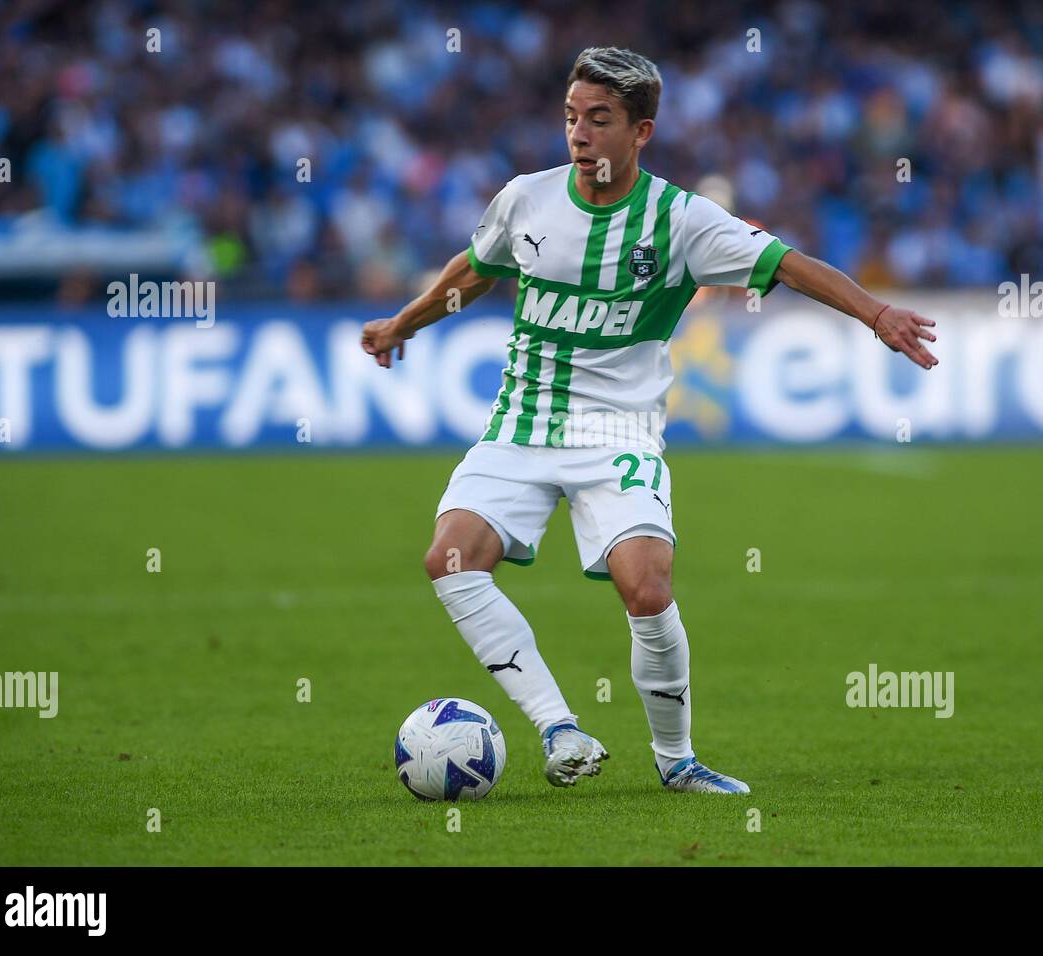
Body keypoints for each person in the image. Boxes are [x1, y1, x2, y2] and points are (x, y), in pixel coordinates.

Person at [363, 47, 937, 794]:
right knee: (448, 559)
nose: (580, 133)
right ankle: (558, 728)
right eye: (572, 117)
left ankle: (676, 760)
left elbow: (787, 263)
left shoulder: (682, 220)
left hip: (618, 432)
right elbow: (475, 269)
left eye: (599, 119)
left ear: (642, 132)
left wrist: (876, 313)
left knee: (648, 589)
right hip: (521, 425)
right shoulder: (526, 199)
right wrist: (404, 323)